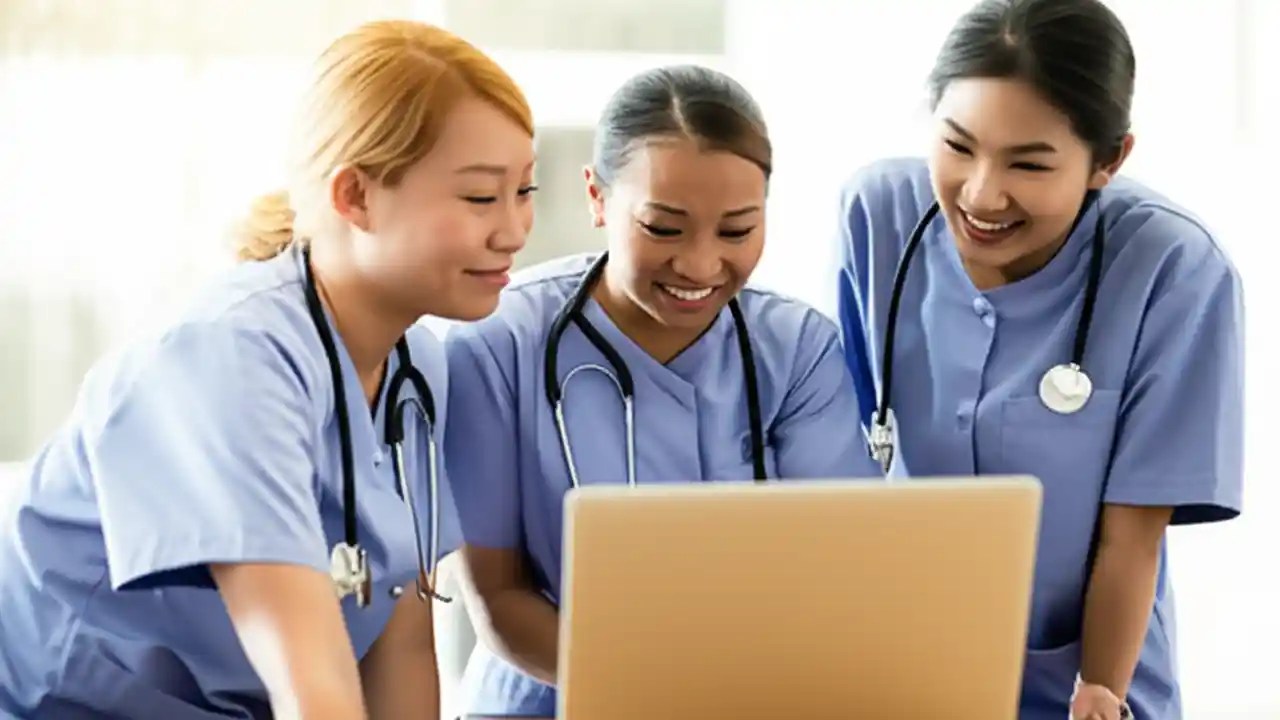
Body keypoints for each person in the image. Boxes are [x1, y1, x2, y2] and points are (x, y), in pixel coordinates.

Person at [0, 20, 536, 719]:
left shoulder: (415, 370)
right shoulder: (229, 358)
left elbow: (399, 639)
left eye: (525, 191)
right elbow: (308, 681)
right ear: (356, 197)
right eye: (479, 197)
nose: (514, 230)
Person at [830, 1, 1244, 718]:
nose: (983, 193)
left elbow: (1130, 538)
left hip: (1090, 674)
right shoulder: (877, 216)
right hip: (903, 669)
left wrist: (1102, 690)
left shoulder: (1173, 270)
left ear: (1108, 161)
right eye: (958, 146)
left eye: (1029, 163)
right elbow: (846, 457)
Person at [443, 64, 882, 716]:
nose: (700, 265)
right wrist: (652, 693)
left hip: (750, 693)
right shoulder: (497, 345)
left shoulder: (796, 349)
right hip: (550, 694)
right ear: (597, 197)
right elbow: (499, 599)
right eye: (663, 227)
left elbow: (834, 571)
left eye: (737, 230)